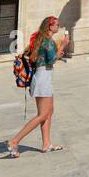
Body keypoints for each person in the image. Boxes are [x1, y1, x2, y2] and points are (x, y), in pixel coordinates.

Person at [8, 16, 69, 157]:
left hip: (43, 77)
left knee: (49, 111)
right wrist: (63, 45)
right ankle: (14, 141)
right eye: (56, 25)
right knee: (42, 115)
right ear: (49, 26)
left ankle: (46, 144)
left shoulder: (41, 39)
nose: (58, 27)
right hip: (43, 78)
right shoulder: (47, 41)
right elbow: (52, 60)